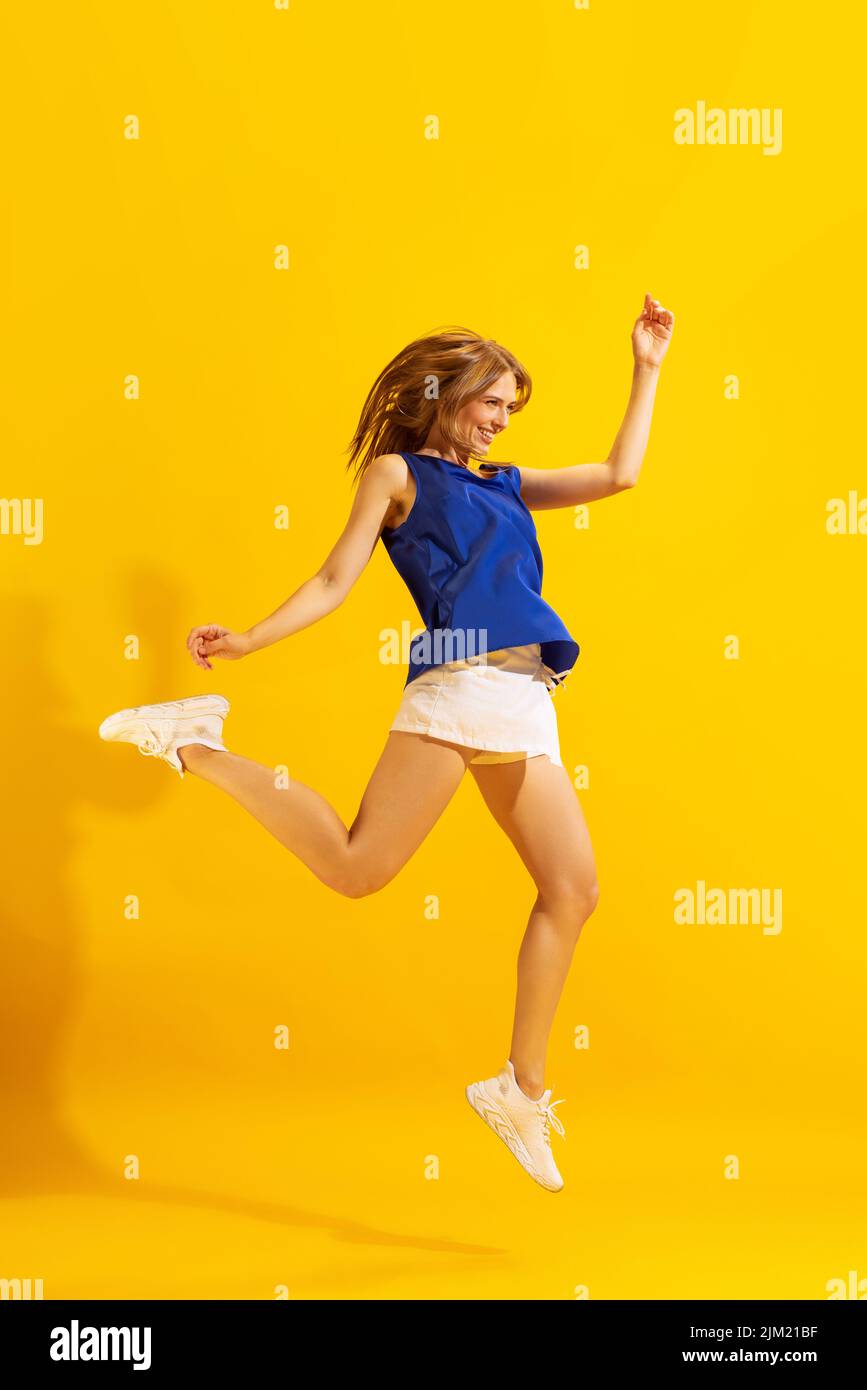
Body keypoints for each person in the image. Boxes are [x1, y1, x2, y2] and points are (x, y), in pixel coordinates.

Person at [99, 294, 675, 1192]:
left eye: (511, 410)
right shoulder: (398, 476)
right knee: (356, 867)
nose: (499, 421)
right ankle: (194, 745)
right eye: (491, 401)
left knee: (573, 889)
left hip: (525, 696)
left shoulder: (508, 485)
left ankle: (518, 1087)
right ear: (445, 391)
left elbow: (618, 474)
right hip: (459, 679)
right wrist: (248, 639)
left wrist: (645, 367)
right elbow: (335, 578)